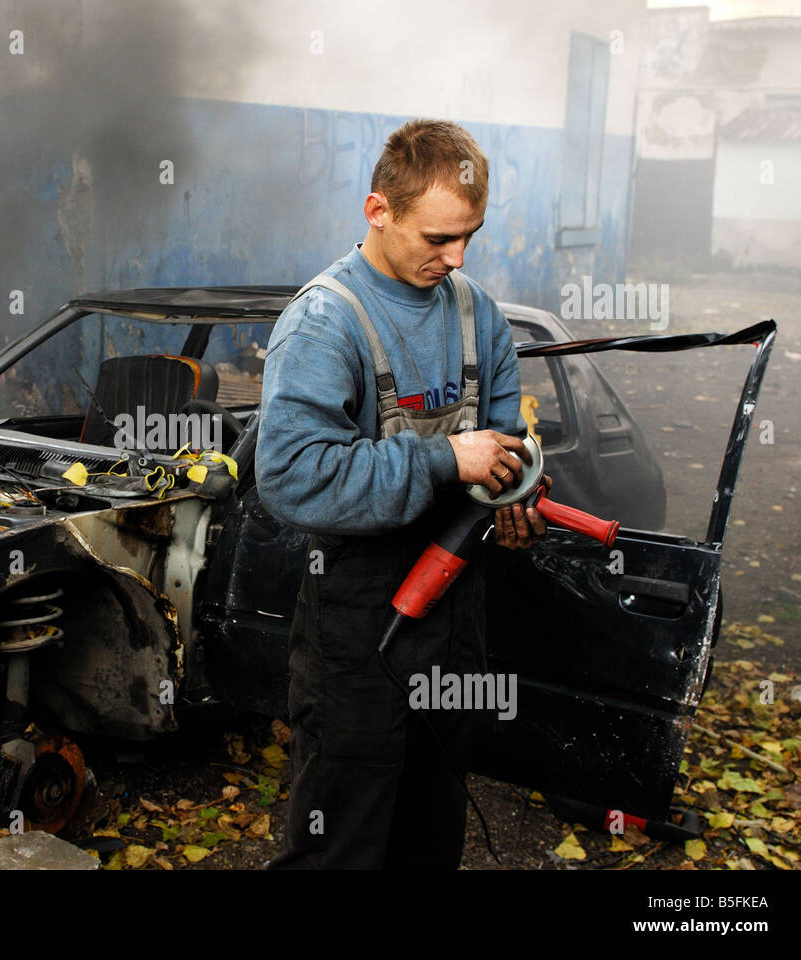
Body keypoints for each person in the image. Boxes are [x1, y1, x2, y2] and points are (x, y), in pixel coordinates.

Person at [256, 118, 547, 869]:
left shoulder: (478, 314)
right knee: (342, 843)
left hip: (455, 605)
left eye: (470, 237)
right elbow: (292, 476)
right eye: (439, 239)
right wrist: (447, 459)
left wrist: (514, 496)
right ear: (378, 211)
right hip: (357, 622)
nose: (457, 259)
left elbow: (507, 444)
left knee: (431, 832)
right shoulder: (325, 323)